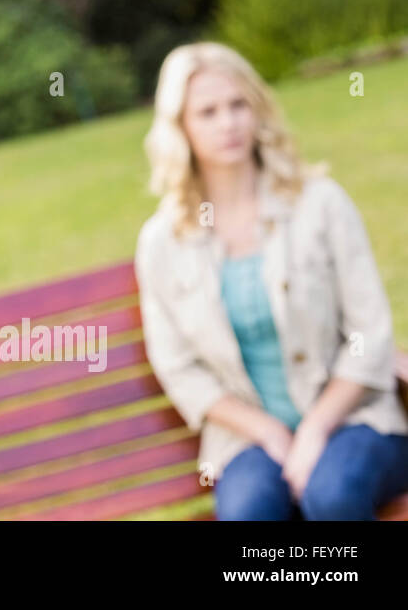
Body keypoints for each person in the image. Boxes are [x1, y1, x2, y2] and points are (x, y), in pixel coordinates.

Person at [135, 41, 408, 520]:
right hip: (247, 436)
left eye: (238, 105)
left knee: (333, 494)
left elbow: (371, 334)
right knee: (248, 512)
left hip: (355, 419)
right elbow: (177, 367)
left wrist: (315, 430)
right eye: (208, 112)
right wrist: (271, 433)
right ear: (180, 127)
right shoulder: (163, 241)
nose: (228, 123)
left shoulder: (320, 203)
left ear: (257, 110)